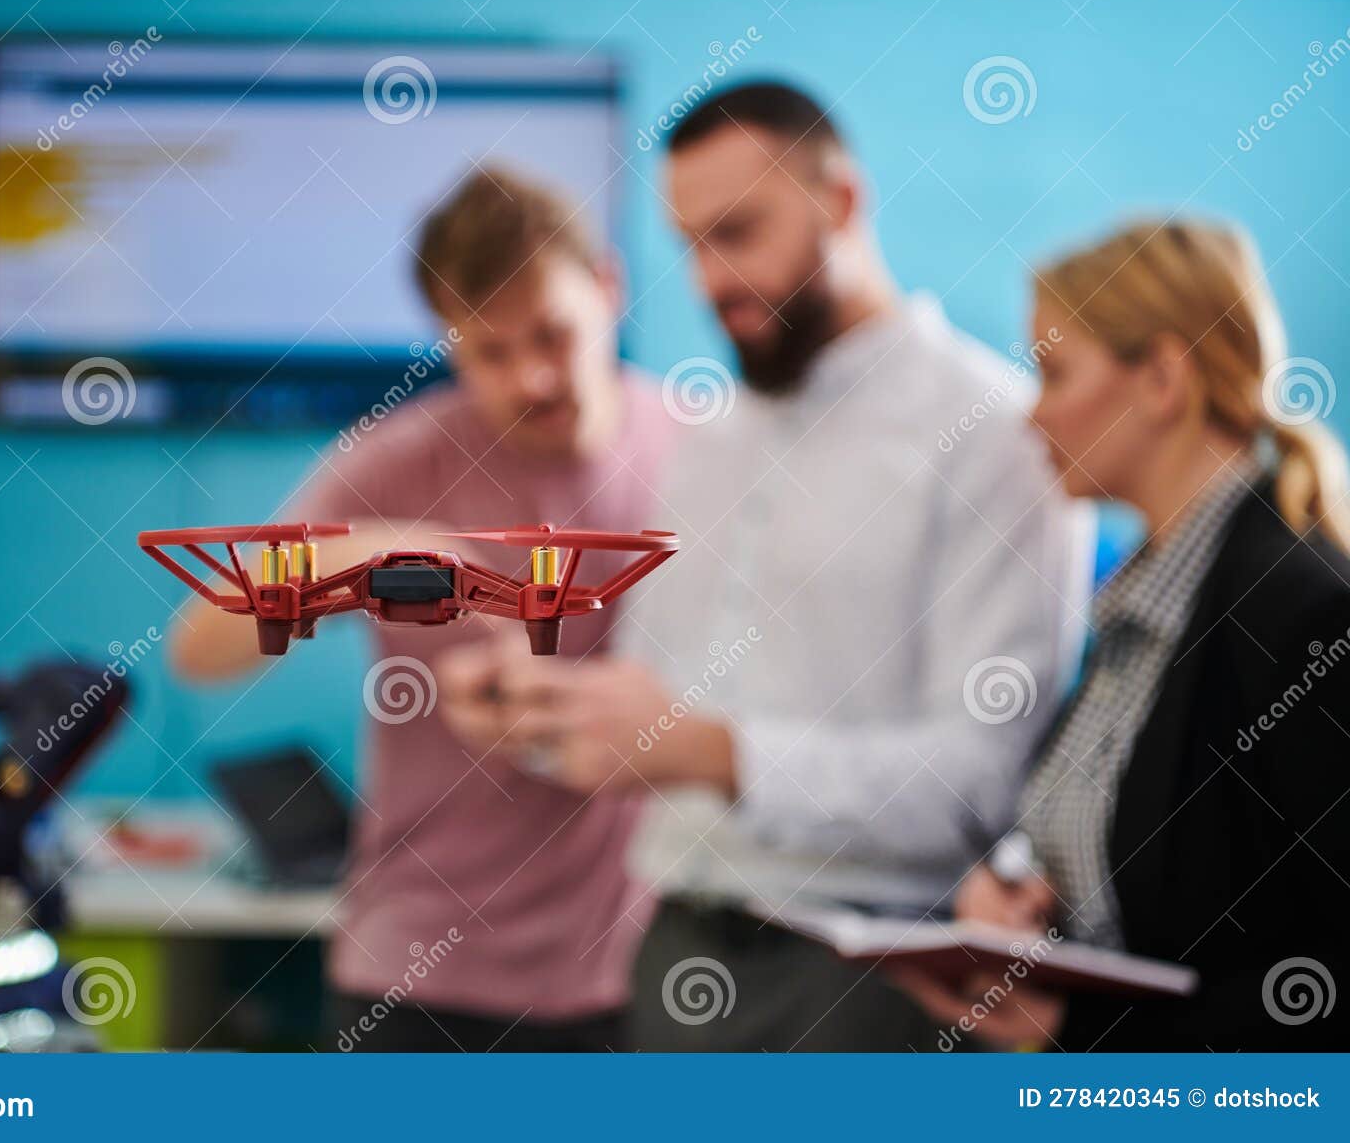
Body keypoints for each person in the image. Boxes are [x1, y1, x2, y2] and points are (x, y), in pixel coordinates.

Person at [437, 82, 1088, 1050]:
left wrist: (715, 751)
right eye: (689, 243)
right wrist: (540, 712)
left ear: (842, 202)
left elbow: (979, 782)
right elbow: (662, 714)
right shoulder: (709, 440)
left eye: (737, 233)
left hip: (871, 980)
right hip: (673, 953)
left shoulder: (994, 437)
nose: (708, 279)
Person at [168, 166, 676, 1050]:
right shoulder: (399, 462)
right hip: (417, 979)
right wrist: (363, 555)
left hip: (638, 974)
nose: (531, 379)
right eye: (489, 351)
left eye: (552, 335)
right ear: (448, 342)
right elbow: (200, 647)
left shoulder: (700, 449)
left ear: (608, 287)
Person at [896, 218, 1350, 1051]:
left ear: (1163, 378)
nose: (1033, 417)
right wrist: (1016, 888)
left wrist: (1091, 1031)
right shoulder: (1148, 597)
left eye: (1054, 372)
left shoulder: (1306, 619)